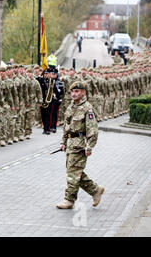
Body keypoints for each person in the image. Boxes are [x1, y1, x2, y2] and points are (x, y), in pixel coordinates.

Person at [56, 81, 104, 209]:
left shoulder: (87, 108)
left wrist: (89, 146)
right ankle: (95, 190)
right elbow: (66, 127)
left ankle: (69, 200)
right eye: (72, 91)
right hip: (71, 144)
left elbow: (92, 129)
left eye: (77, 91)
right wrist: (63, 142)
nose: (74, 94)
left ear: (83, 92)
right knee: (75, 172)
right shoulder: (71, 107)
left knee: (73, 173)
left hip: (81, 146)